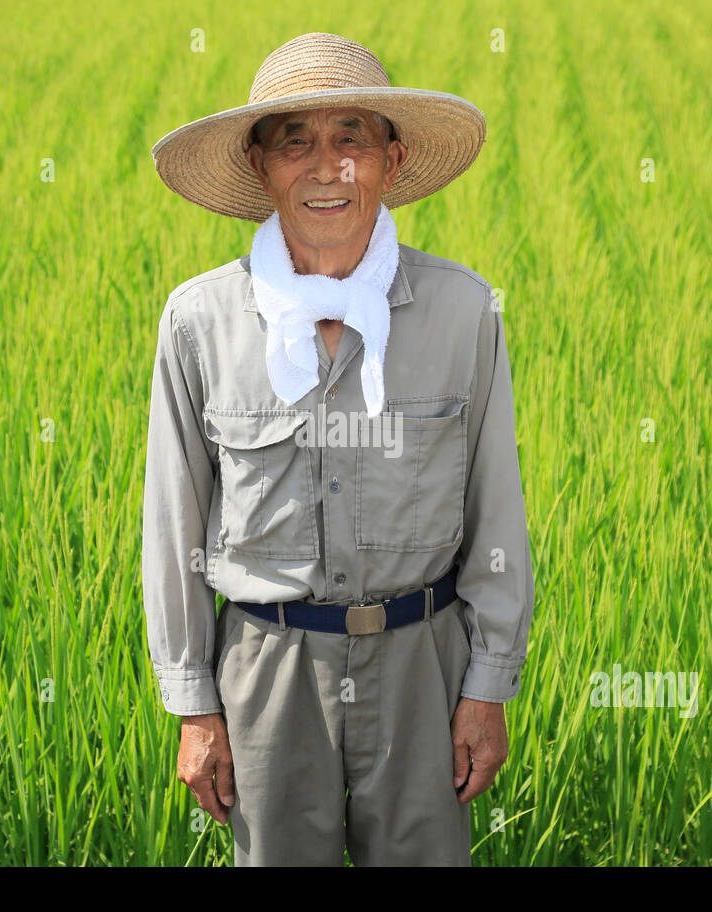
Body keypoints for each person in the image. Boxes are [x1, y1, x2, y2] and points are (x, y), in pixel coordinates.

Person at [143, 32, 534, 865]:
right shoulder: (199, 323)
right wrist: (193, 704)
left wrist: (488, 686)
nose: (328, 168)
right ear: (260, 165)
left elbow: (494, 512)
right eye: (296, 141)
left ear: (390, 163)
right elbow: (172, 530)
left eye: (350, 138)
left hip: (422, 668)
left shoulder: (464, 312)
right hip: (265, 675)